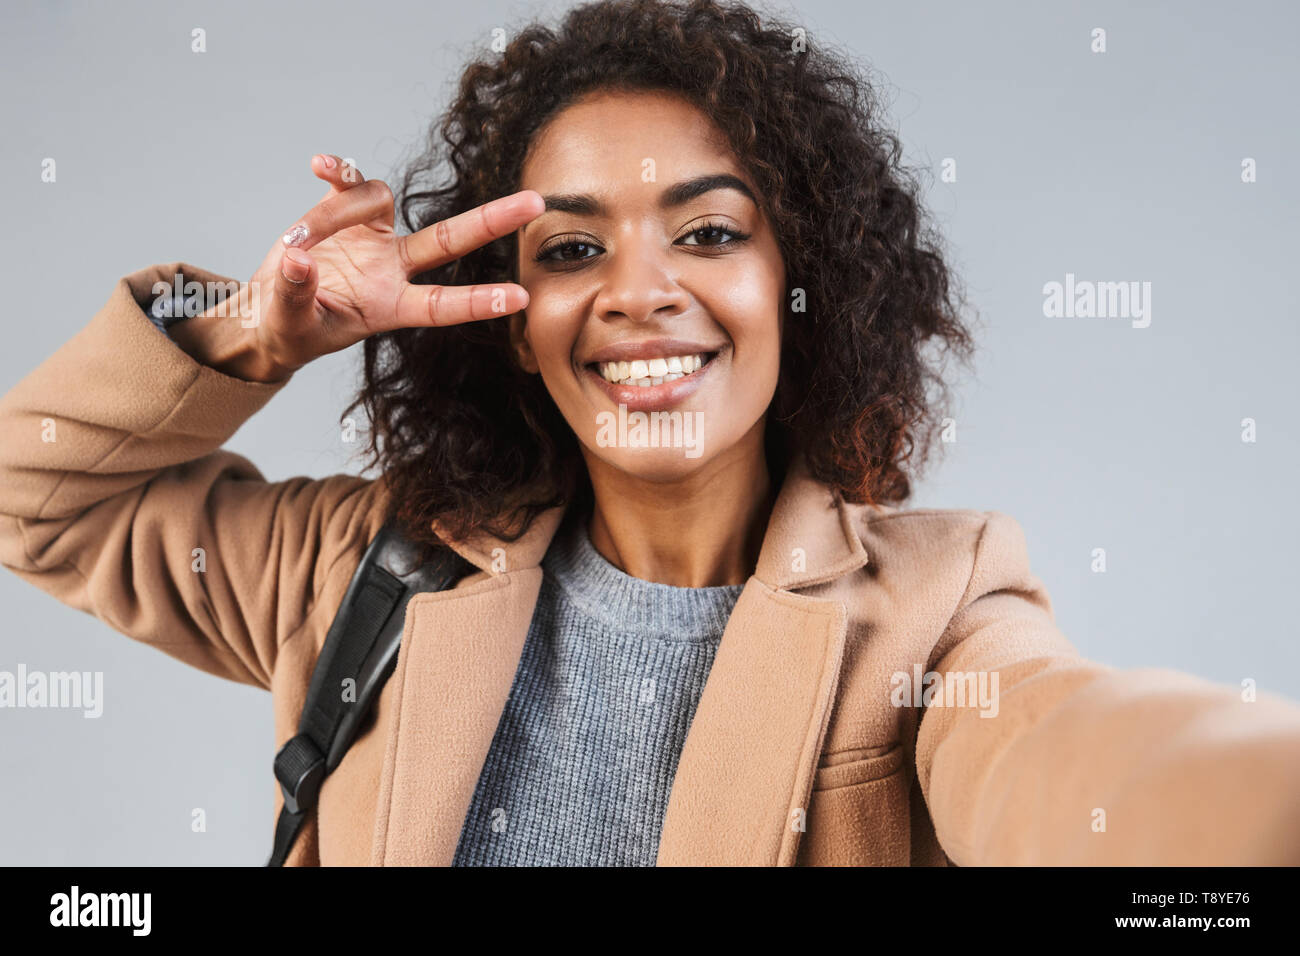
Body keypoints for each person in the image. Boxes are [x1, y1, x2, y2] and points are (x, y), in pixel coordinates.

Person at [2, 0, 1297, 866]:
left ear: (807, 285)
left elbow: (1076, 756)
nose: (639, 291)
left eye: (711, 231)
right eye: (573, 249)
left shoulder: (934, 607)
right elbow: (32, 492)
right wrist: (254, 335)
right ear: (513, 321)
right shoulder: (365, 571)